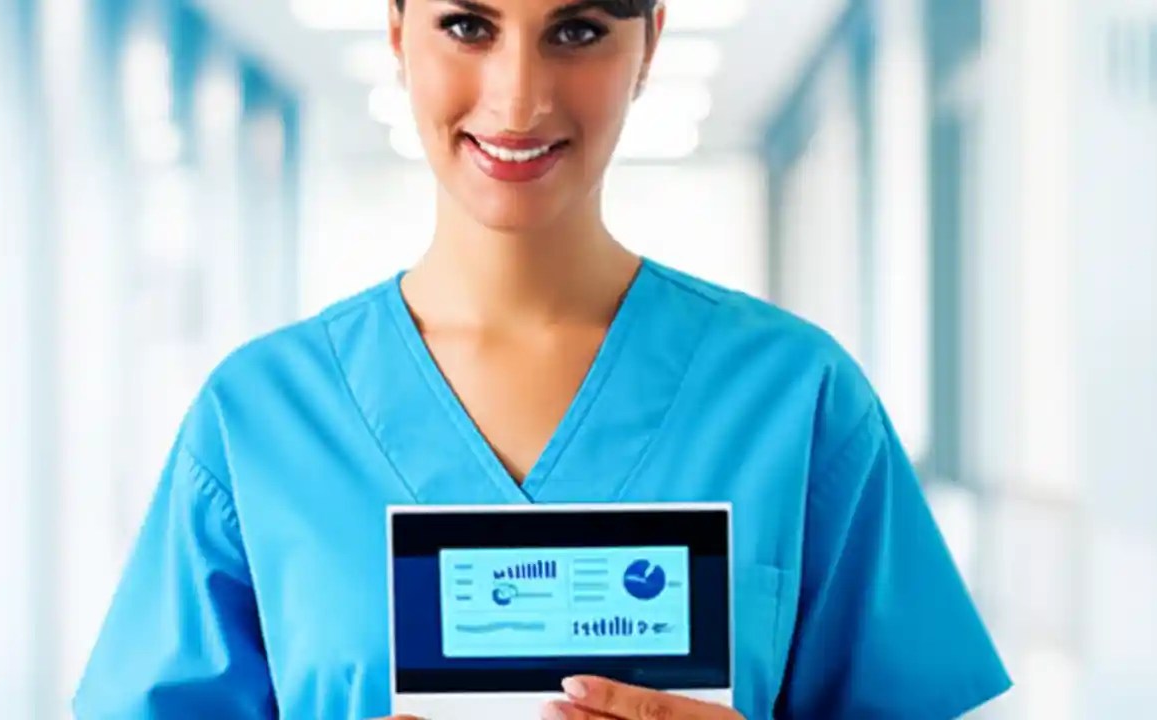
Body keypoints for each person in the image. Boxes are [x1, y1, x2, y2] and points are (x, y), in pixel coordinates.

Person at [74, 0, 1012, 717]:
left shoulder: (795, 400)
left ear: (650, 42)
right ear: (398, 33)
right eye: (468, 24)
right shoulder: (260, 420)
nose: (518, 97)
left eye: (578, 30)